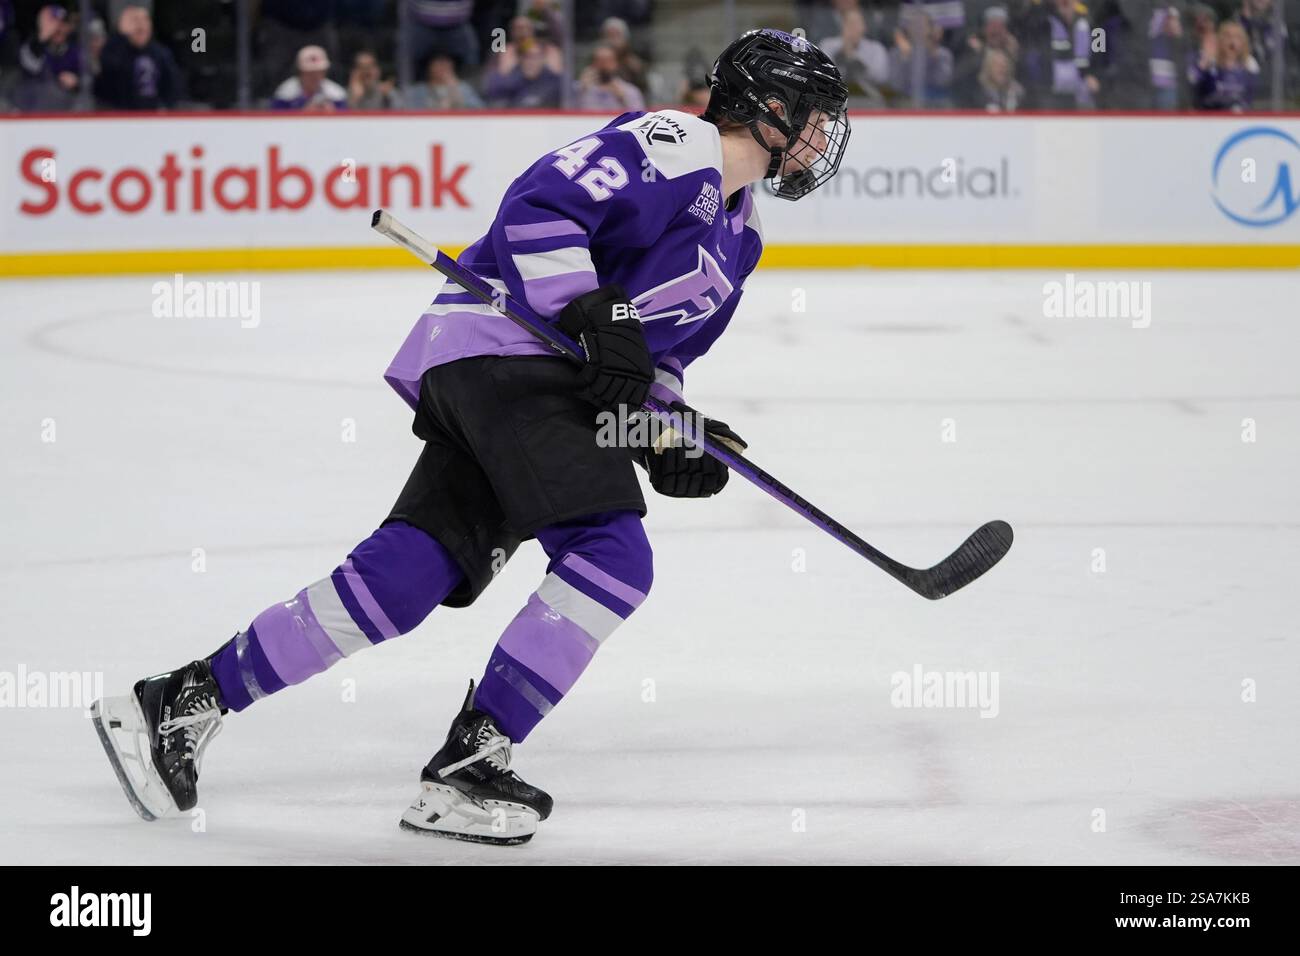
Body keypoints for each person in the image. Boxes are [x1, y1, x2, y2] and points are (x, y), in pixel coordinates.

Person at [91, 29, 851, 846]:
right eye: (812, 115)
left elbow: (650, 363)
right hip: (502, 353)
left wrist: (668, 433)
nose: (821, 136)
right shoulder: (678, 143)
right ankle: (468, 763)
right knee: (612, 553)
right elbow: (541, 207)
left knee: (404, 578)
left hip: (523, 384)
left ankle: (180, 701)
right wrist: (591, 308)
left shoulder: (742, 243)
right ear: (766, 107)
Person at [271, 44, 348, 110]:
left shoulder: (336, 94)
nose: (315, 76)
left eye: (319, 72)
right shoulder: (285, 94)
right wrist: (304, 115)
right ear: (300, 72)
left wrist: (333, 114)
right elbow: (277, 123)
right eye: (310, 73)